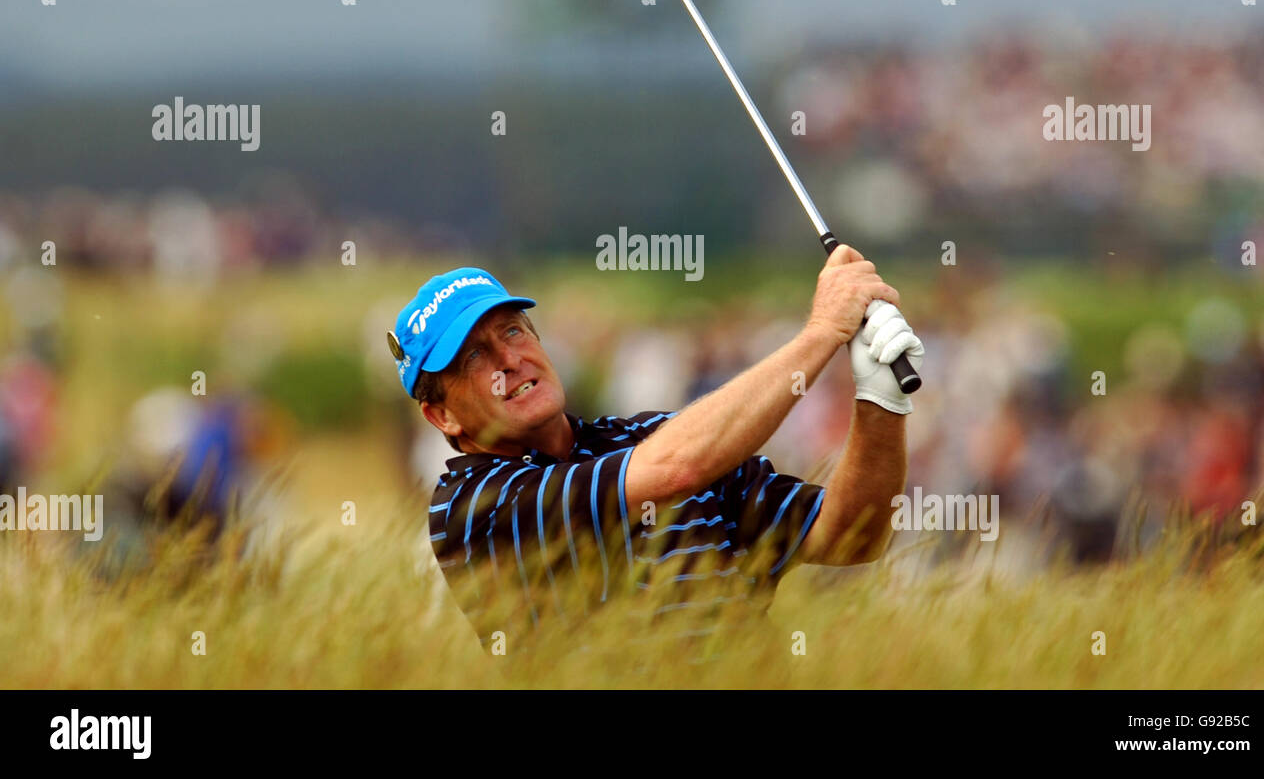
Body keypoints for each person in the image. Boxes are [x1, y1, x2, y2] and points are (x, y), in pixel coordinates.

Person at [388, 247, 923, 656]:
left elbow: (850, 536)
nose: (510, 358)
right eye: (476, 356)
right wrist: (825, 331)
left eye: (513, 330)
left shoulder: (651, 436)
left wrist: (880, 400)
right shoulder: (473, 503)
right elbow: (675, 470)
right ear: (443, 416)